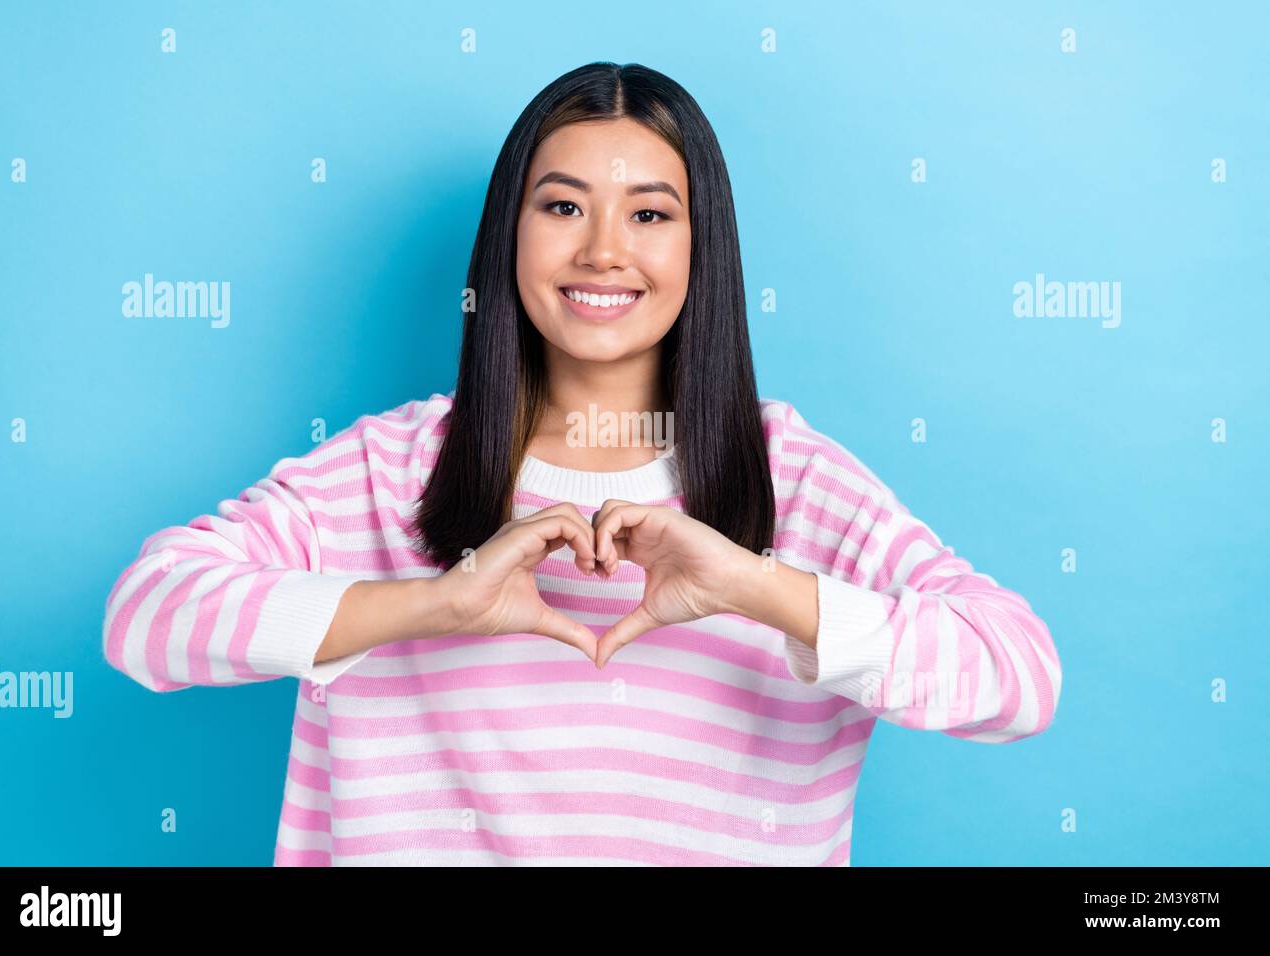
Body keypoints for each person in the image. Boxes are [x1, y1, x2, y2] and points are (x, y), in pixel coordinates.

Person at [103, 61, 1062, 866]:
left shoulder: (798, 482)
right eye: (564, 206)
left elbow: (1016, 676)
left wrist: (759, 587)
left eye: (649, 216)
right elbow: (146, 615)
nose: (603, 251)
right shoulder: (384, 472)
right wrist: (435, 606)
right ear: (508, 235)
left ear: (702, 250)